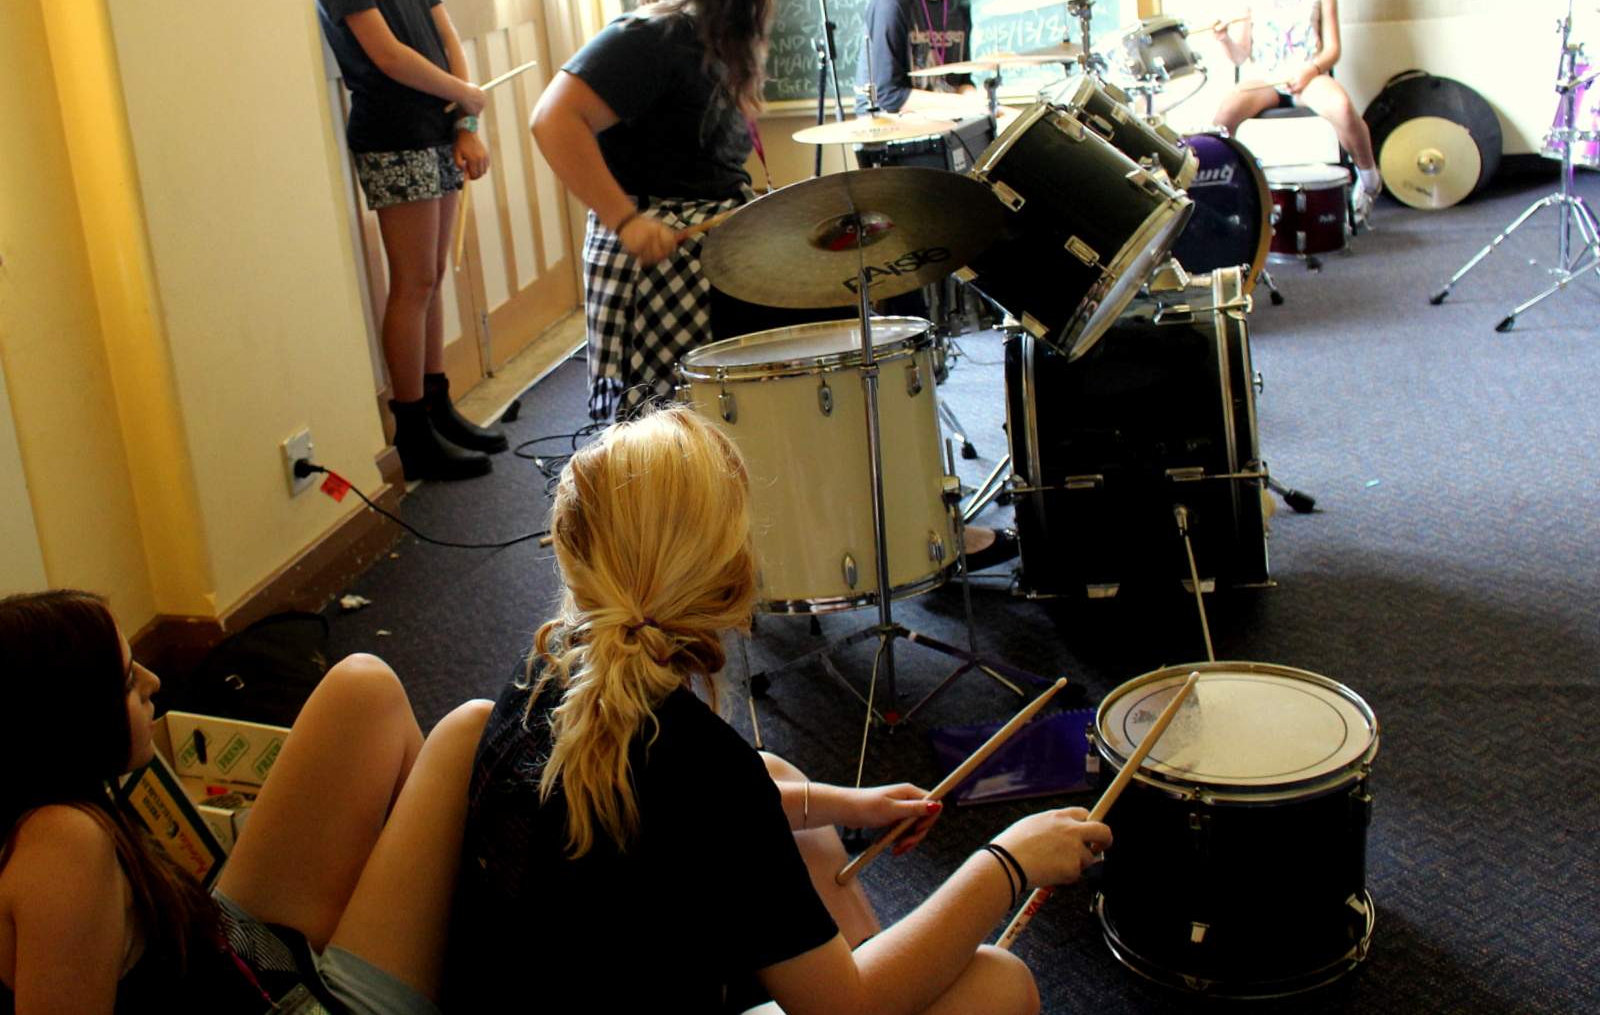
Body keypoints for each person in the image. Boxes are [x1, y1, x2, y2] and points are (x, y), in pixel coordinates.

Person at [445, 407, 1110, 1013]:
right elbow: (840, 1007)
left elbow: (705, 814)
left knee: (782, 782)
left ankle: (870, 963)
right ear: (734, 578)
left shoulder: (545, 668)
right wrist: (1007, 861)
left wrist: (853, 805)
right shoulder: (704, 767)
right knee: (998, 981)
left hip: (531, 983)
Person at [0, 589, 490, 1013]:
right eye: (128, 680)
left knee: (365, 685)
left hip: (231, 956)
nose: (153, 682)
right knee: (469, 730)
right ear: (67, 720)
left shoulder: (36, 809)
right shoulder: (63, 846)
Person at [531, 0, 786, 422]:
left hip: (696, 260)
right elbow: (553, 119)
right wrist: (625, 220)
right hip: (653, 269)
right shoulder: (652, 36)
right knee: (662, 435)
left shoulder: (711, 42)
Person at [311, 0, 508, 482]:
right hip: (392, 129)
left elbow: (442, 30)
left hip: (434, 124)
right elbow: (386, 54)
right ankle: (413, 429)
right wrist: (465, 94)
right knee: (414, 282)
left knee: (432, 280)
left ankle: (439, 403)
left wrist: (463, 119)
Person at [1210, 0, 1383, 222]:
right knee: (1221, 119)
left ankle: (1370, 178)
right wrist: (1223, 40)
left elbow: (1332, 49)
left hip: (1308, 74)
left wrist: (1311, 70)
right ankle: (1230, 194)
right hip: (1265, 77)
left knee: (1343, 109)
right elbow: (1240, 54)